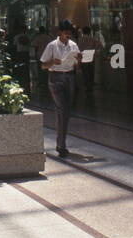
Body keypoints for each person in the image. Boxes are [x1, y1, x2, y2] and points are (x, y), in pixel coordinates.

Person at [41, 20, 81, 157]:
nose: (68, 35)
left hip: (70, 77)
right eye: (65, 33)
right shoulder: (52, 46)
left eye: (69, 33)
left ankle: (61, 142)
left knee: (67, 110)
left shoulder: (74, 45)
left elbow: (76, 66)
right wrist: (53, 62)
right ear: (60, 32)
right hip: (56, 78)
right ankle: (61, 145)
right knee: (62, 109)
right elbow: (43, 65)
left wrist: (79, 62)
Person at [78, 26, 98, 102]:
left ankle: (87, 86)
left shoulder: (80, 39)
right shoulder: (93, 39)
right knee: (91, 72)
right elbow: (99, 46)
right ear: (90, 31)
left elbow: (79, 49)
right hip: (91, 57)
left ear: (83, 32)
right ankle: (91, 86)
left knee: (85, 73)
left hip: (84, 57)